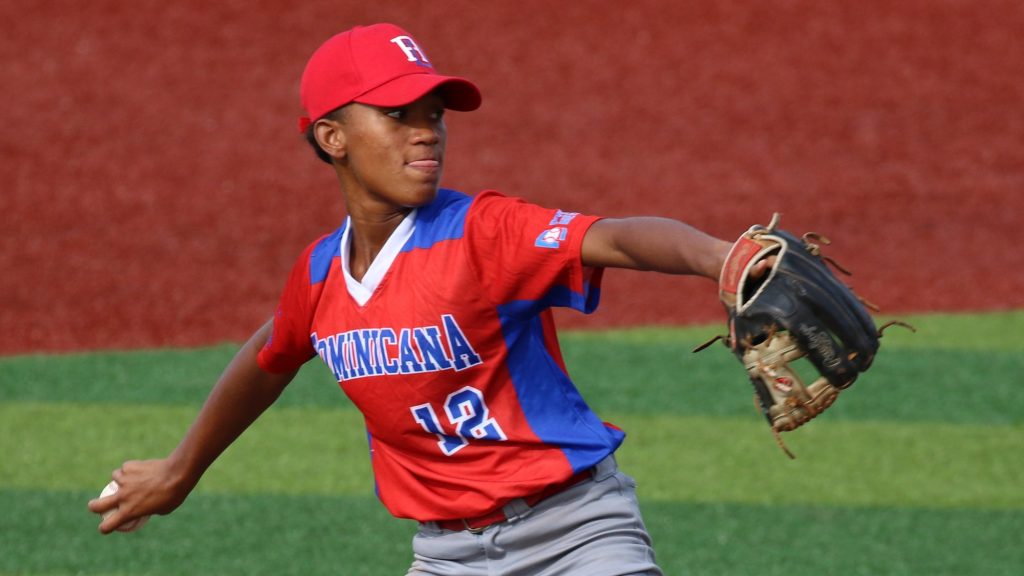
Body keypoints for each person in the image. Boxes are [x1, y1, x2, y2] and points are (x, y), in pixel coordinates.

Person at [89, 23, 743, 576]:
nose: (426, 132)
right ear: (332, 137)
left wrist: (718, 258)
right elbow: (273, 353)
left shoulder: (483, 232)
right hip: (444, 555)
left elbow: (616, 239)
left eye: (433, 114)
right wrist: (180, 469)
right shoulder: (320, 275)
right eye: (397, 115)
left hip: (576, 534)